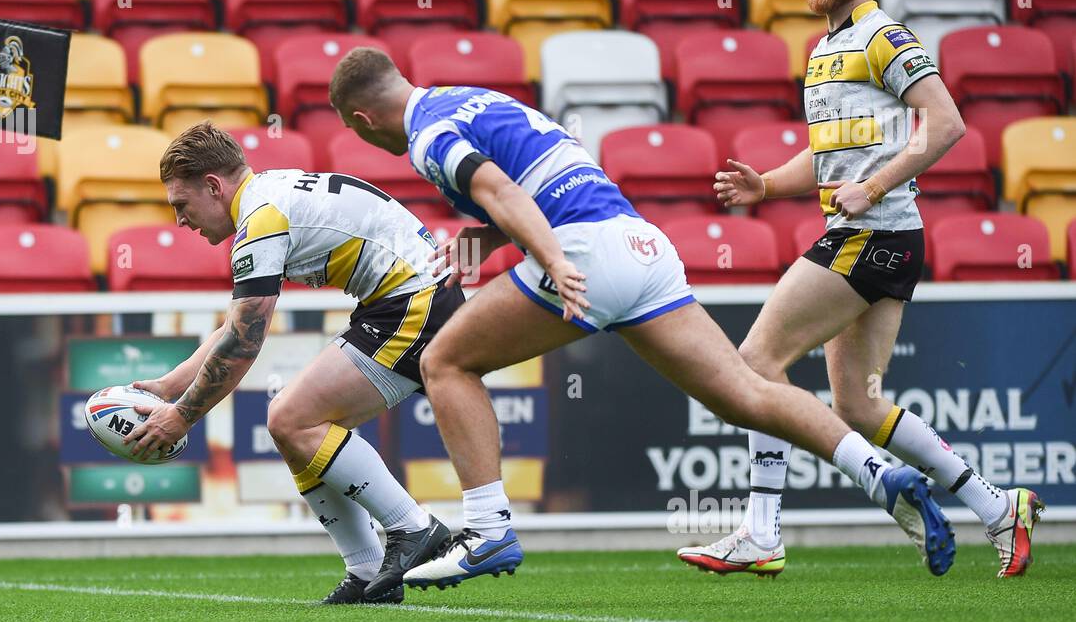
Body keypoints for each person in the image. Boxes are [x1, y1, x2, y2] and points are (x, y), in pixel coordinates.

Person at [328, 47, 952, 590]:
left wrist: (550, 258)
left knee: (444, 360)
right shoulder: (469, 98)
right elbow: (545, 173)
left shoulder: (426, 137)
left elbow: (502, 191)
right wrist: (487, 242)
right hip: (641, 244)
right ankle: (879, 474)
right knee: (745, 394)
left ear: (362, 120)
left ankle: (488, 531)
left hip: (582, 251)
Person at [676, 0, 1042, 579]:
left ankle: (762, 529)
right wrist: (764, 184)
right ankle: (997, 505)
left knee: (756, 359)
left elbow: (948, 122)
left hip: (872, 234)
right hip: (885, 239)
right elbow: (824, 157)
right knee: (859, 403)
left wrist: (872, 186)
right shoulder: (824, 48)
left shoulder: (883, 36)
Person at [124, 120, 453, 603]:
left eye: (182, 205)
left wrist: (181, 417)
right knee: (294, 426)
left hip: (414, 302)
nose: (181, 222)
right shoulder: (265, 200)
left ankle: (414, 529)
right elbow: (236, 327)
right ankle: (365, 573)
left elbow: (243, 343)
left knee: (290, 419)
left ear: (213, 186)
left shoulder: (261, 218)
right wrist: (170, 386)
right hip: (407, 300)